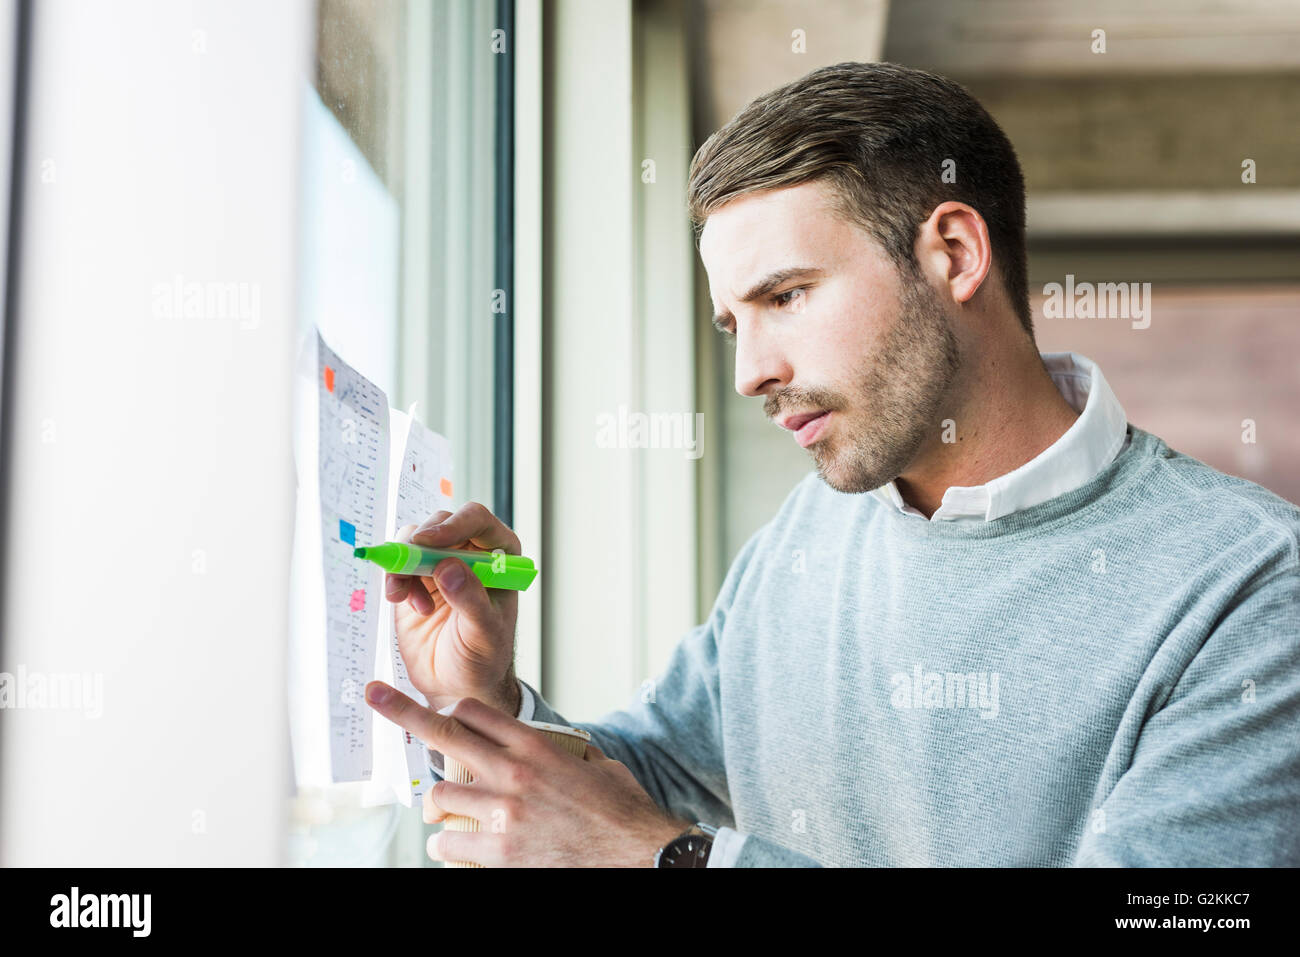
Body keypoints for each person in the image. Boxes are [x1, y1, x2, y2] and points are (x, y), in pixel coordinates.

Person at [365, 61, 1300, 867]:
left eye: (788, 295)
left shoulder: (1253, 583)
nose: (750, 372)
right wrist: (483, 698)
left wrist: (669, 857)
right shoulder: (806, 536)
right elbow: (644, 779)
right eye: (735, 322)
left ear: (955, 252)